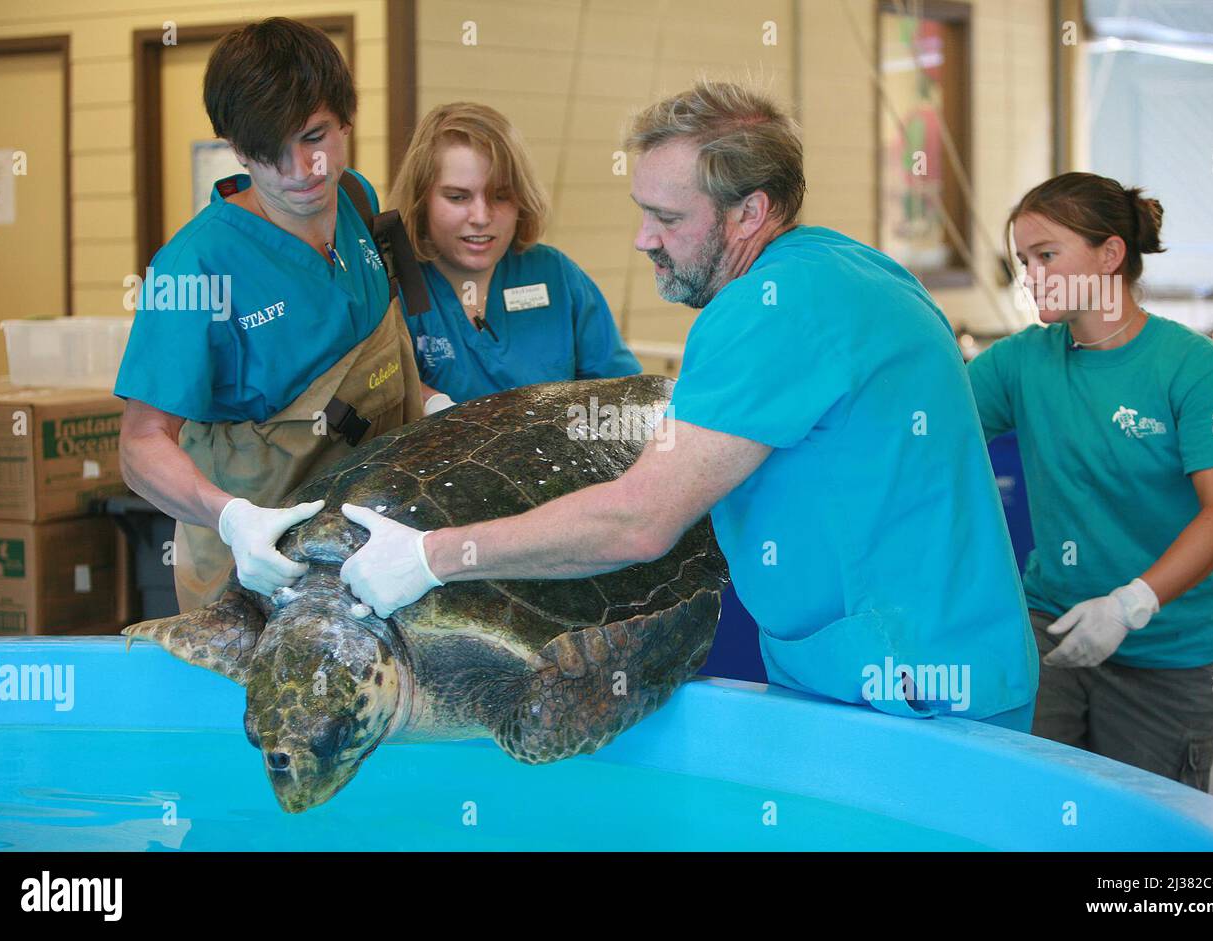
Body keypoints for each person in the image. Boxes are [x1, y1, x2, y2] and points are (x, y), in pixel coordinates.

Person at [337, 81, 1039, 730]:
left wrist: (431, 556)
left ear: (749, 213)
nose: (644, 238)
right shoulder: (853, 265)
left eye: (666, 217)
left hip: (904, 691)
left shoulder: (767, 310)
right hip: (927, 662)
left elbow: (639, 521)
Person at [115, 18, 424, 612]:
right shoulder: (192, 268)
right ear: (236, 147)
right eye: (268, 151)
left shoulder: (357, 200)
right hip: (259, 561)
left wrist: (433, 402)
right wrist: (229, 518)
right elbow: (141, 445)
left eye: (315, 136)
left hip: (376, 537)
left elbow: (381, 348)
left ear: (346, 120)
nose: (300, 169)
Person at [968, 172, 1213, 789]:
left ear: (1110, 254)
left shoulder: (1193, 367)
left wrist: (1133, 604)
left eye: (1047, 255)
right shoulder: (1024, 361)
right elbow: (924, 421)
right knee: (1027, 811)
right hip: (1051, 630)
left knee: (1146, 855)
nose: (1031, 274)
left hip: (1167, 652)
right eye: (1023, 259)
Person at [384, 102, 639, 413]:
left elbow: (624, 395)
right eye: (458, 197)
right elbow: (380, 391)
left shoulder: (554, 275)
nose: (481, 216)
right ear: (422, 200)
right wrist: (427, 402)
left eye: (500, 196)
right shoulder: (391, 285)